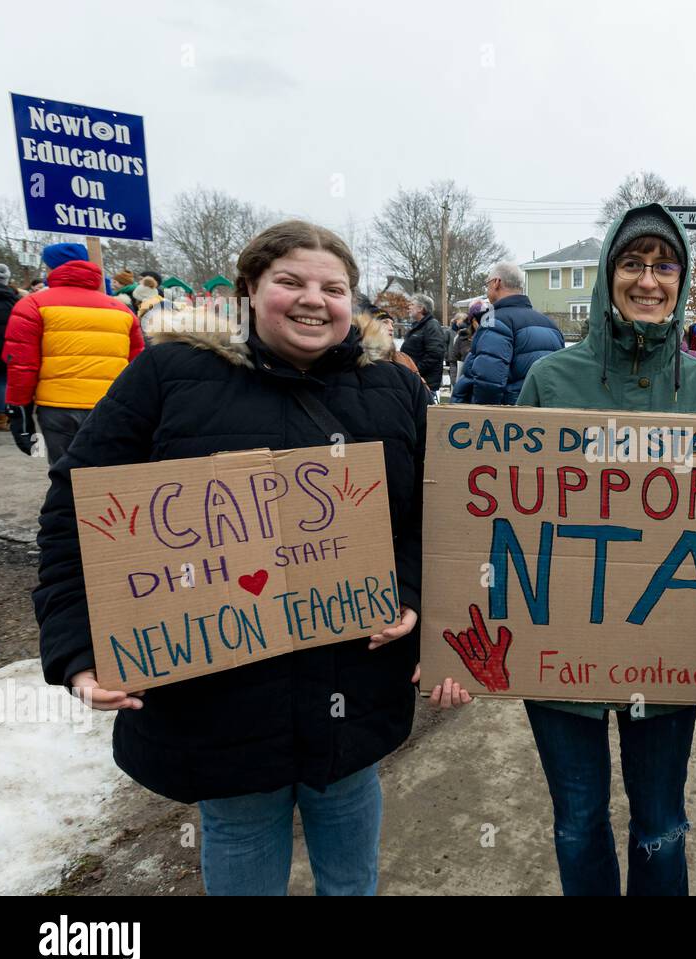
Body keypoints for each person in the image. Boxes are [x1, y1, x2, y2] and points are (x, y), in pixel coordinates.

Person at [33, 220, 433, 896]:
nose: (315, 299)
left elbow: (438, 514)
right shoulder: (168, 374)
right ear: (249, 287)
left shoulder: (394, 389)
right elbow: (76, 509)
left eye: (333, 287)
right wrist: (78, 648)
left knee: (349, 839)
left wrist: (414, 592)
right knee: (242, 839)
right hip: (220, 701)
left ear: (352, 302)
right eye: (291, 281)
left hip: (352, 685)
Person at [514, 202, 696, 895]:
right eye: (632, 263)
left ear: (682, 277)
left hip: (666, 650)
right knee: (578, 821)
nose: (648, 280)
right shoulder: (551, 380)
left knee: (660, 823)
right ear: (609, 273)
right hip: (562, 646)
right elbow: (501, 511)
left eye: (663, 265)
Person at [2, 242, 144, 464]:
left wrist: (19, 411)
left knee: (65, 476)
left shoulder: (32, 304)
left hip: (58, 407)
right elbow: (137, 365)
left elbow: (22, 364)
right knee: (107, 475)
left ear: (51, 269)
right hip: (110, 406)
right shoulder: (121, 310)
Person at [451, 261, 562, 404]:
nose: (487, 288)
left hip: (505, 419)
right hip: (539, 416)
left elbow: (488, 383)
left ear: (496, 282)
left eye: (487, 283)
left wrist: (479, 419)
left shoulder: (495, 321)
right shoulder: (550, 324)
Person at [400, 293, 447, 396]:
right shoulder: (418, 326)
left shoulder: (431, 325)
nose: (409, 307)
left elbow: (434, 354)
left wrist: (415, 370)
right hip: (413, 381)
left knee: (423, 412)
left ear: (421, 308)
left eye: (412, 304)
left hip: (424, 383)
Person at [0, 263, 18, 431]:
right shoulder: (13, 299)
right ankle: (3, 414)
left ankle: (0, 415)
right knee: (1, 380)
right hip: (7, 347)